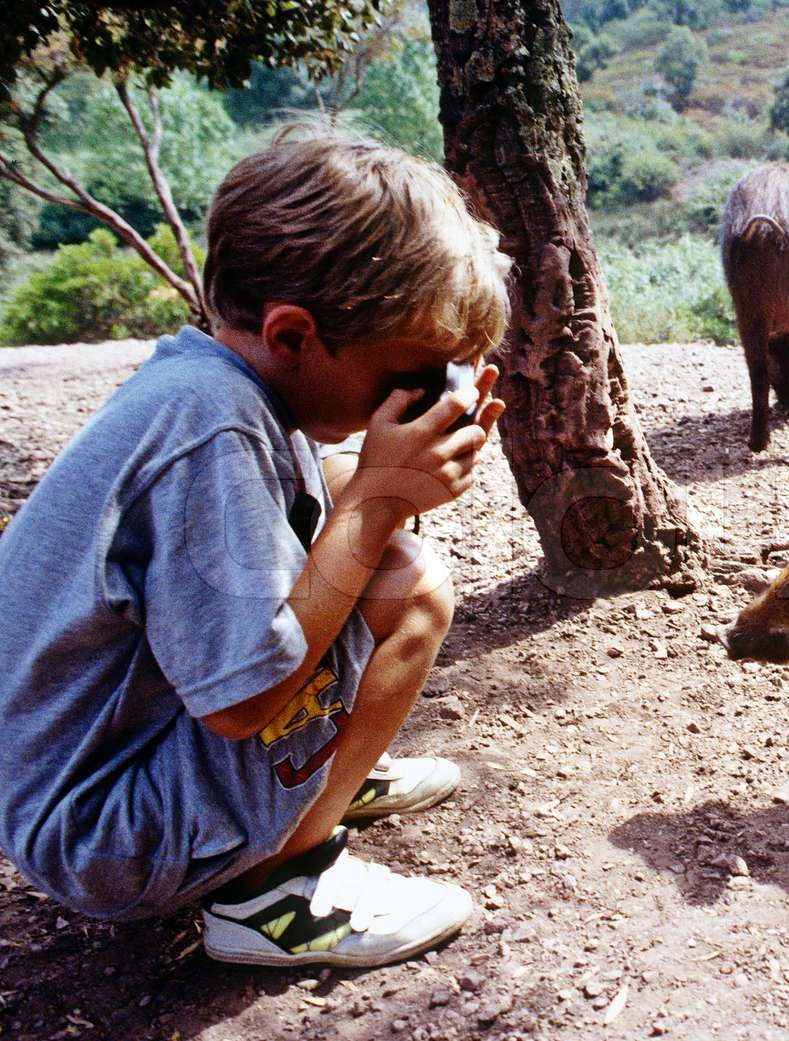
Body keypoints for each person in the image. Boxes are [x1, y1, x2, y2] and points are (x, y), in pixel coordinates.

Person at [0, 124, 512, 968]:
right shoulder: (212, 432)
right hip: (108, 835)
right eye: (409, 375)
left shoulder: (207, 384)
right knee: (410, 589)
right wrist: (381, 500)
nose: (422, 397)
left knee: (368, 546)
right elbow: (242, 706)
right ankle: (272, 885)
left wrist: (380, 476)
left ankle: (319, 771)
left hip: (90, 777)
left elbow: (271, 525)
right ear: (291, 336)